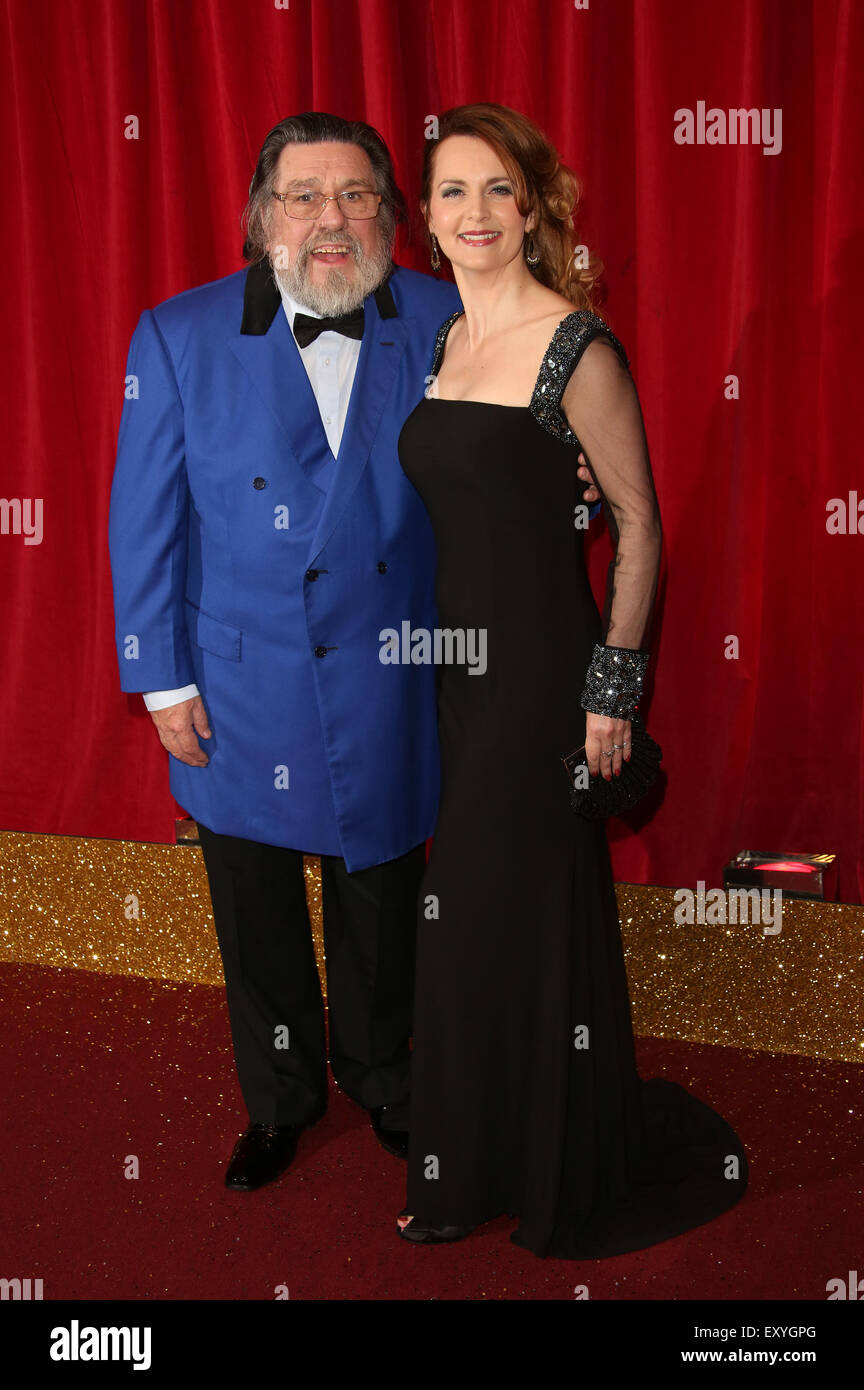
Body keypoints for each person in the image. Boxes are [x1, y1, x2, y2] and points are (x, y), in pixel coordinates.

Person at [108, 110, 606, 1194]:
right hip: (236, 678)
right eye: (303, 195)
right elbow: (142, 519)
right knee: (253, 899)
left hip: (395, 663)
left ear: (392, 215)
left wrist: (564, 485)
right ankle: (281, 1101)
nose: (330, 219)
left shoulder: (441, 315)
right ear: (260, 217)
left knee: (382, 884)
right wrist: (158, 677)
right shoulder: (175, 336)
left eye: (357, 196)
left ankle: (382, 1074)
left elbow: (511, 443)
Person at [396, 102, 749, 1257]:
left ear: (535, 205)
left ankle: (532, 1168)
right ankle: (486, 1153)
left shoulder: (574, 346)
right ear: (428, 219)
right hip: (456, 668)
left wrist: (610, 691)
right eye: (453, 191)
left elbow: (638, 525)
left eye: (498, 188)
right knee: (486, 913)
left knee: (496, 911)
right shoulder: (443, 343)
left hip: (543, 670)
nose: (476, 212)